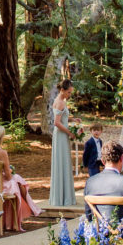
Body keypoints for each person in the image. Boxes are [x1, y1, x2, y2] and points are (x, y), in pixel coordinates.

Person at [0, 125, 42, 231]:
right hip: (0, 187)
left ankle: (32, 210)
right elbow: (8, 176)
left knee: (18, 180)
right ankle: (25, 214)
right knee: (18, 181)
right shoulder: (1, 153)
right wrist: (11, 171)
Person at [84, 141, 123, 222]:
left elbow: (89, 216)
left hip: (97, 233)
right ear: (121, 158)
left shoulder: (90, 182)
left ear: (102, 161)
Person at [49, 77, 77, 207]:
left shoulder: (62, 101)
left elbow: (63, 119)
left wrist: (72, 120)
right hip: (61, 135)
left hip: (61, 134)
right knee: (62, 162)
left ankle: (63, 196)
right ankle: (62, 198)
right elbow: (56, 123)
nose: (69, 94)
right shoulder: (60, 102)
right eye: (68, 92)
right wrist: (69, 132)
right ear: (62, 90)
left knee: (64, 162)